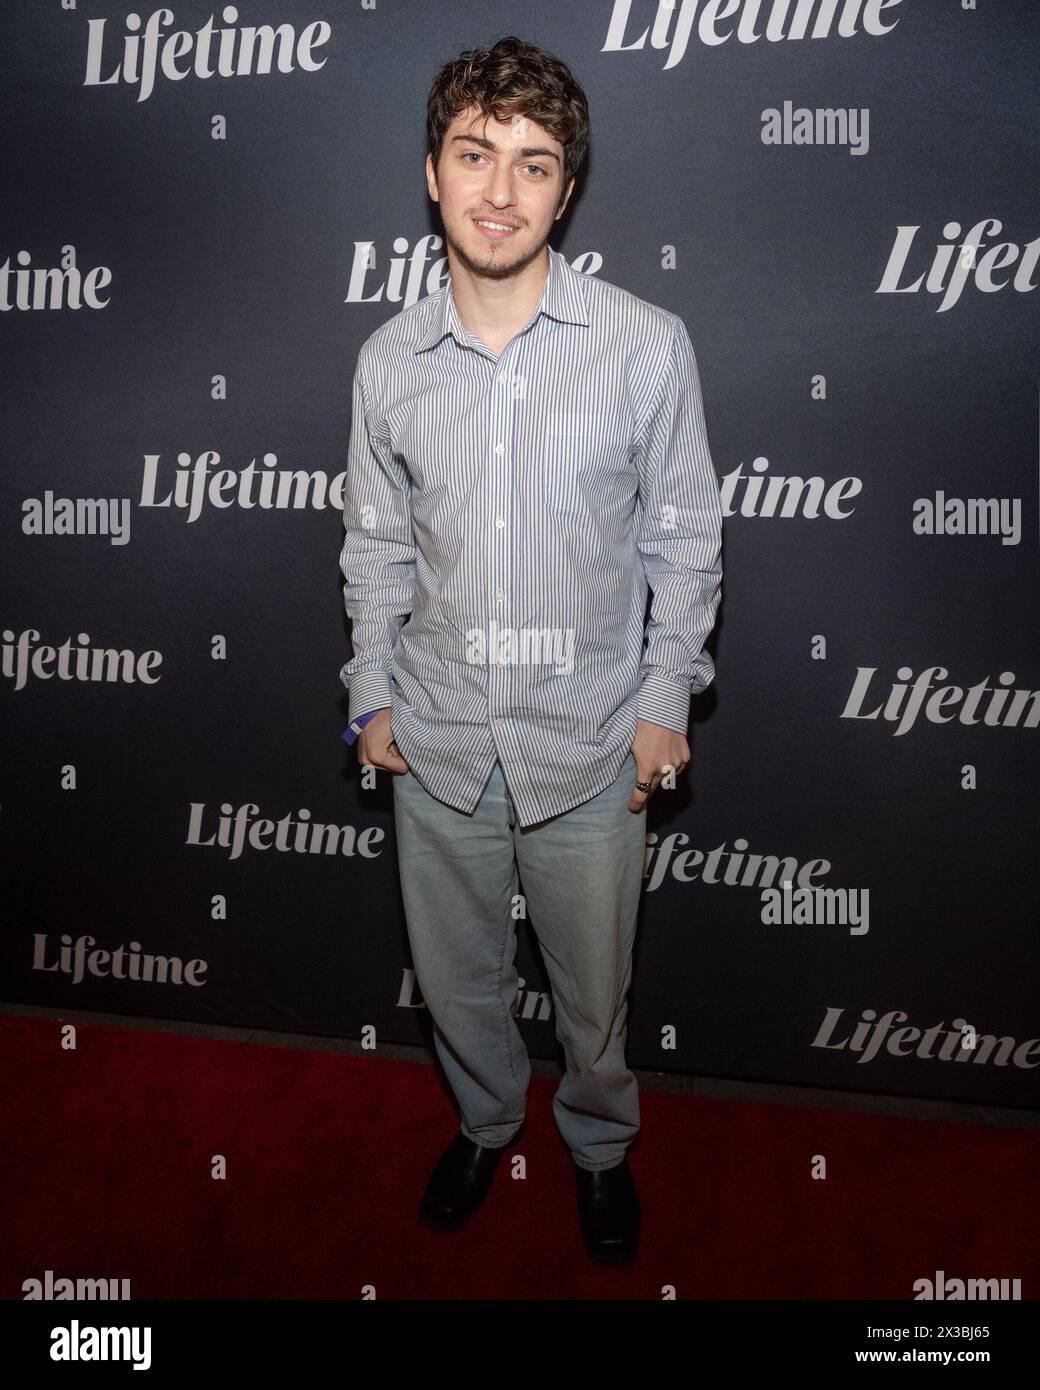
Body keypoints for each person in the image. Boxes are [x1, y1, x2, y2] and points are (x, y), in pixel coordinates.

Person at [339, 36, 723, 1265]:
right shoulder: (387, 361)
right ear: (432, 172)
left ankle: (598, 1148)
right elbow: (375, 545)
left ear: (566, 187)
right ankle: (484, 1120)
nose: (500, 190)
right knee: (453, 987)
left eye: (532, 163)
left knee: (593, 999)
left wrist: (664, 700)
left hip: (592, 738)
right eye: (474, 155)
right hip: (439, 734)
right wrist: (369, 695)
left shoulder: (645, 344)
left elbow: (684, 539)